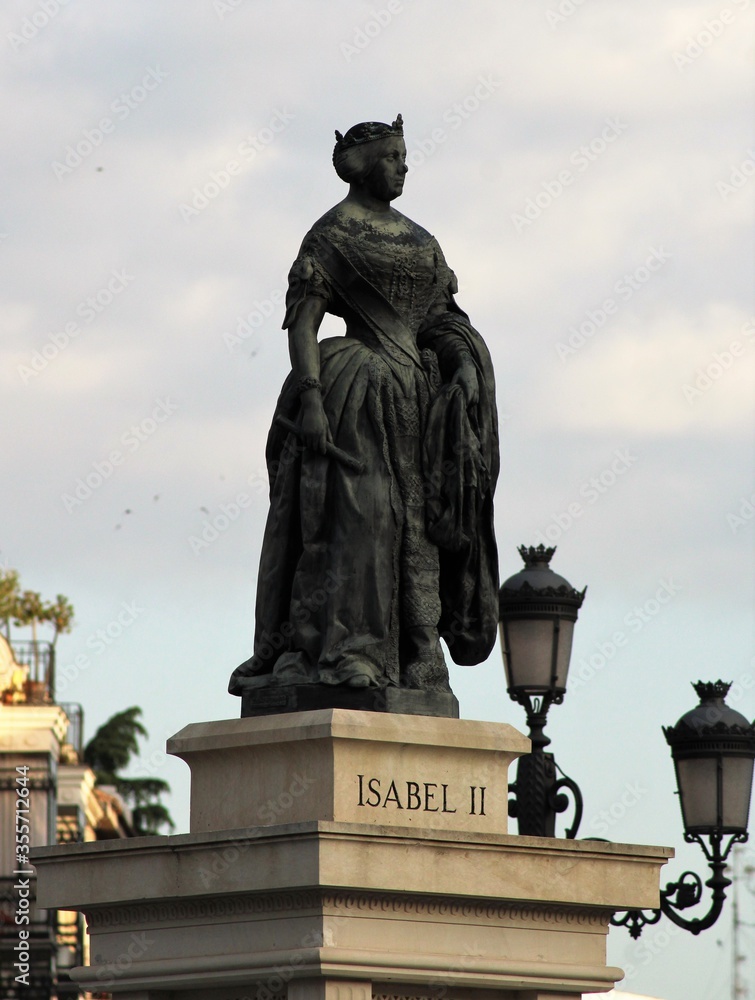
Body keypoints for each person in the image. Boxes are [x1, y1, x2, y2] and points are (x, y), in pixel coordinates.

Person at [229, 115, 499, 703]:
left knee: (414, 526)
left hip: (416, 405)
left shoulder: (422, 240)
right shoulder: (330, 235)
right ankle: (344, 651)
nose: (404, 166)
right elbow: (303, 323)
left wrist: (464, 367)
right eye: (394, 157)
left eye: (405, 156)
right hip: (351, 391)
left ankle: (410, 658)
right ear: (363, 164)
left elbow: (442, 320)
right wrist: (310, 400)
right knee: (362, 518)